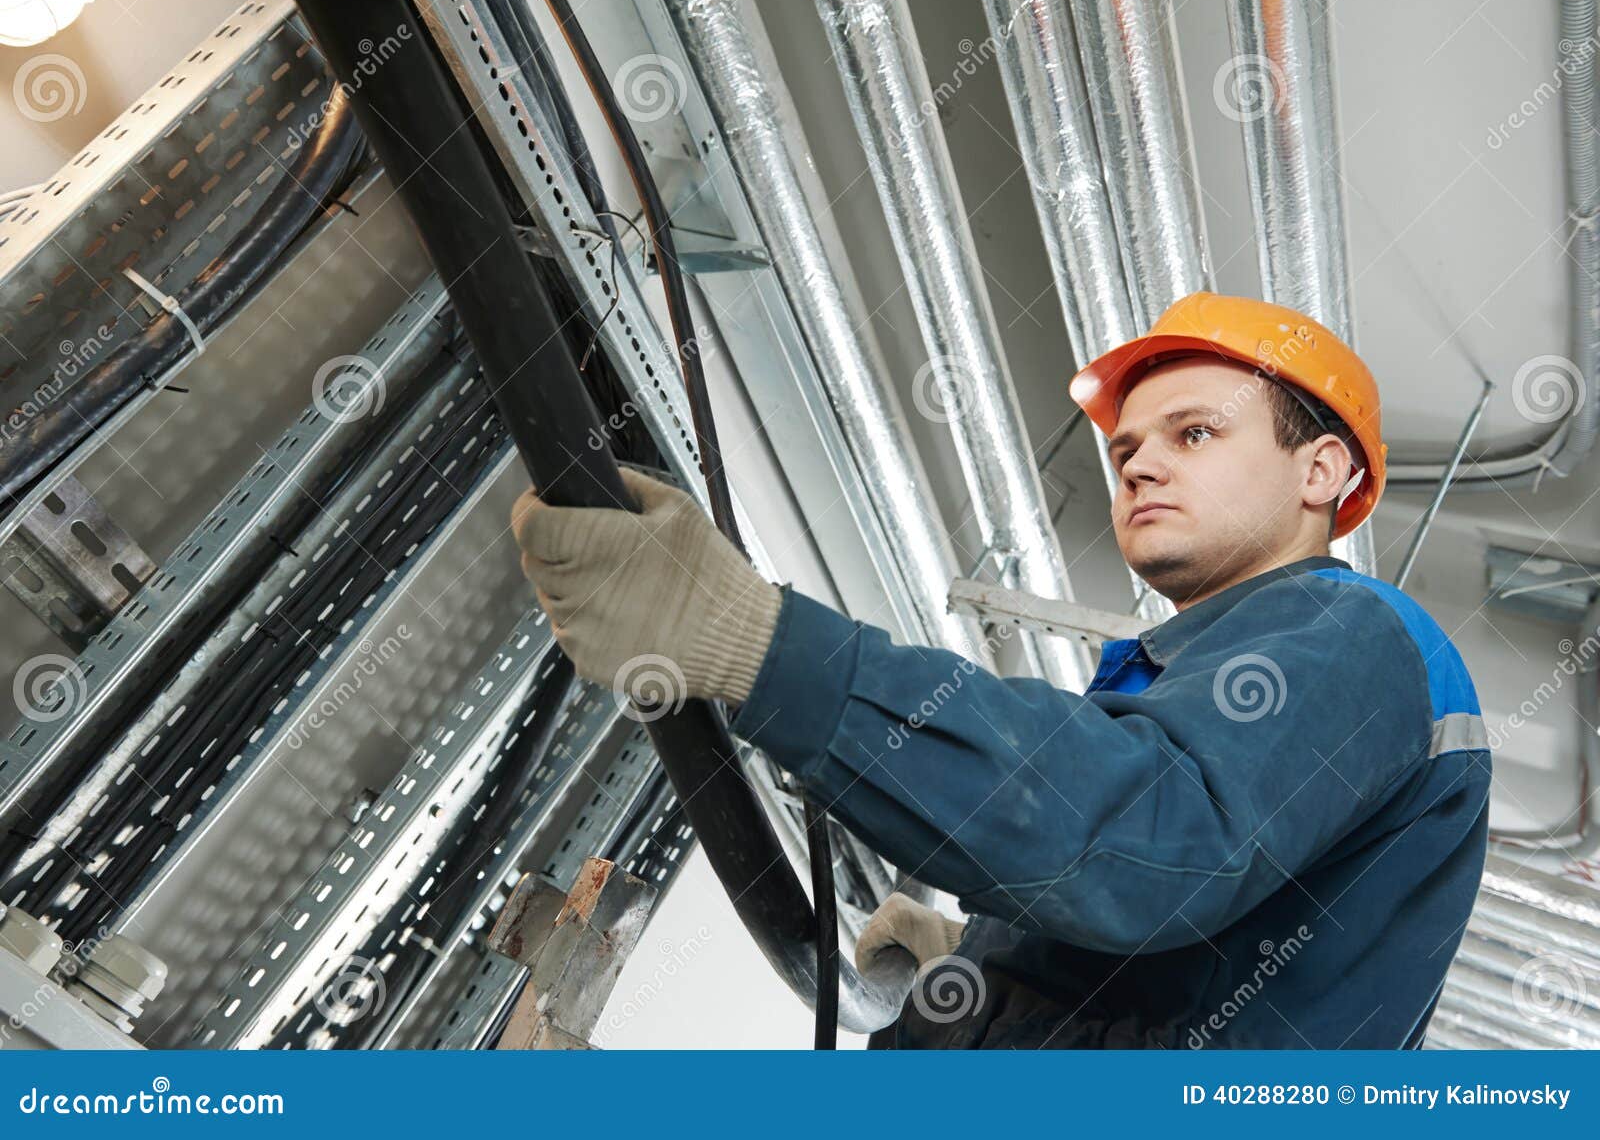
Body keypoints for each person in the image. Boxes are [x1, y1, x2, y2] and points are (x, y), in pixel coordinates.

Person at [510, 291, 1490, 1049]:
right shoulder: (1185, 677)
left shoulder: (1357, 635)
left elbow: (1144, 845)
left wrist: (749, 639)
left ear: (1319, 472)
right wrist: (981, 975)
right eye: (1124, 451)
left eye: (1193, 432)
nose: (1139, 467)